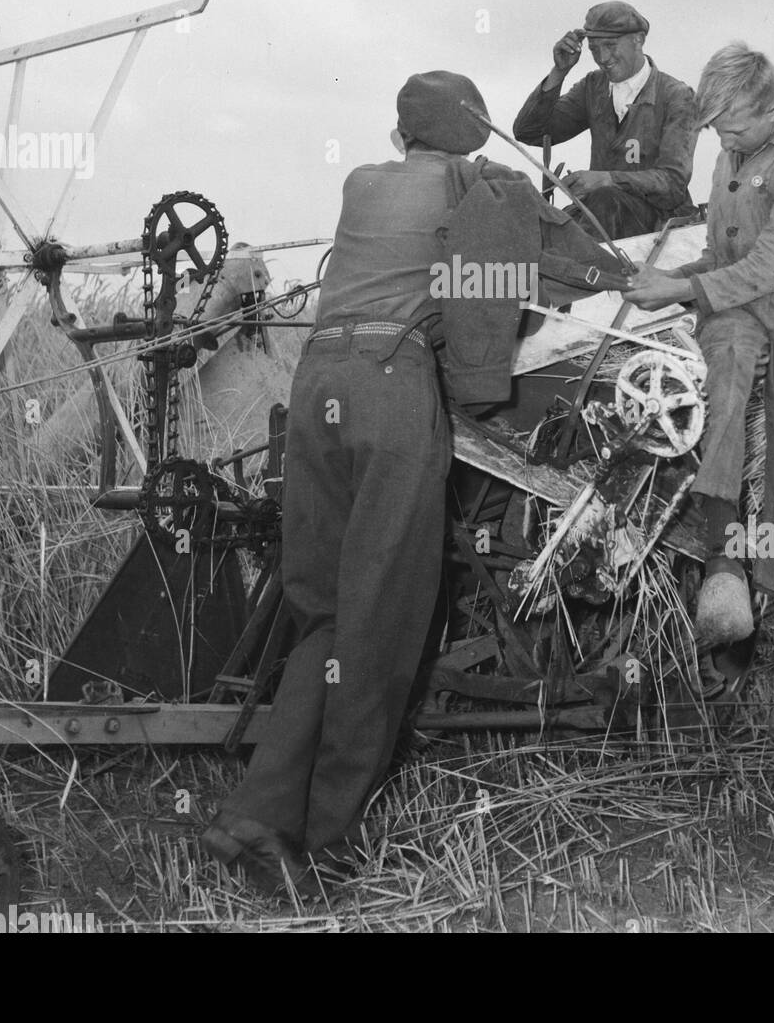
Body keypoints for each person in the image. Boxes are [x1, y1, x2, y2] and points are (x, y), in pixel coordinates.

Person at [200, 71, 626, 897]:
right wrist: (619, 273)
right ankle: (328, 843)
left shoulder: (362, 183)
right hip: (391, 386)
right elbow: (567, 264)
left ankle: (255, 813)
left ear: (403, 135)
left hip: (318, 383)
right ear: (476, 130)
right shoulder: (482, 180)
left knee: (324, 615)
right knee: (383, 622)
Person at [622, 42, 774, 744]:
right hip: (739, 310)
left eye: (732, 124)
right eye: (714, 125)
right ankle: (724, 560)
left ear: (769, 108)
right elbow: (723, 260)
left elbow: (772, 265)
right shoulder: (729, 157)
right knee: (717, 376)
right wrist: (669, 280)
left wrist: (679, 289)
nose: (721, 137)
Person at [512, 0, 700, 239]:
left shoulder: (677, 96)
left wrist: (607, 179)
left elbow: (673, 183)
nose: (602, 57)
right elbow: (529, 132)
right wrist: (559, 72)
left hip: (659, 223)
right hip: (602, 217)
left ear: (639, 39)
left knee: (604, 199)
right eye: (594, 49)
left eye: (610, 45)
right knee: (533, 224)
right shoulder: (593, 87)